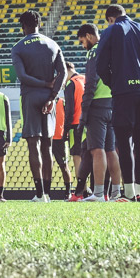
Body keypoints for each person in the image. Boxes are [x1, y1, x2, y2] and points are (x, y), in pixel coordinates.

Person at [95, 3, 140, 201]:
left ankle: (129, 192)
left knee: (124, 141)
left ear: (110, 18)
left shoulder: (112, 30)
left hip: (124, 90)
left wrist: (113, 83)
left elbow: (100, 64)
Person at [11, 10, 67, 203]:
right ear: (40, 24)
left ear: (23, 27)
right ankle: (48, 194)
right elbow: (63, 72)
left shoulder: (18, 47)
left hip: (30, 95)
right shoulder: (52, 44)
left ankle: (39, 193)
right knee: (47, 145)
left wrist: (43, 85)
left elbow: (22, 76)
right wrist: (52, 95)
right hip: (48, 98)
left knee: (33, 144)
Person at [74, 21, 120, 202]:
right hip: (113, 104)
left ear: (90, 36)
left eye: (82, 41)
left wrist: (84, 111)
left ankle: (99, 193)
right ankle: (116, 192)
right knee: (111, 150)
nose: (83, 45)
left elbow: (91, 82)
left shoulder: (94, 52)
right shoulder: (112, 50)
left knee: (97, 149)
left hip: (98, 105)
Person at [51, 61, 83, 199]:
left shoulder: (71, 85)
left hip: (71, 128)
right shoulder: (85, 79)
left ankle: (78, 192)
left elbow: (70, 110)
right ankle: (95, 191)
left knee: (74, 160)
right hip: (90, 123)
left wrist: (65, 131)